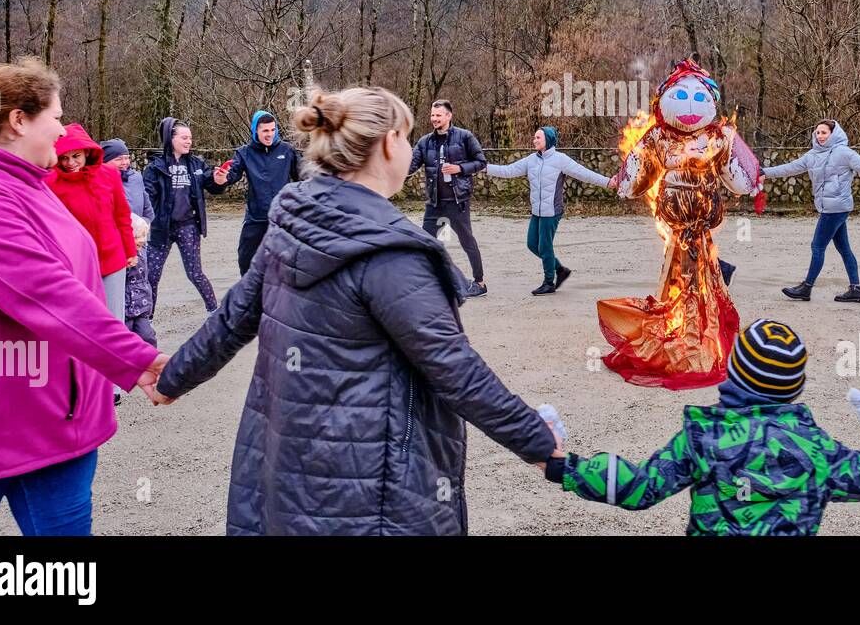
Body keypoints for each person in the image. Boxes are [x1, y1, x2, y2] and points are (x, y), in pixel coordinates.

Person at [151, 86, 559, 535]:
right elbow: (455, 368)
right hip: (371, 497)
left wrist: (172, 379)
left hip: (289, 482)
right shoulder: (394, 254)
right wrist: (541, 445)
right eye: (405, 137)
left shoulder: (291, 225)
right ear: (388, 144)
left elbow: (230, 320)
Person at [0, 59, 164, 535]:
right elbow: (49, 296)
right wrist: (134, 359)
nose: (63, 129)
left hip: (55, 424)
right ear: (19, 120)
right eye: (56, 116)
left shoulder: (31, 185)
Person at [542, 319, 860, 534]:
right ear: (795, 388)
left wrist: (562, 464)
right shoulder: (815, 450)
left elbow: (640, 487)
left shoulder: (703, 438)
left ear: (733, 374)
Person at [761, 119, 860, 303]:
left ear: (833, 134)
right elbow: (789, 168)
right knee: (844, 248)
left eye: (824, 132)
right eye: (818, 133)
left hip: (836, 208)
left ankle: (806, 288)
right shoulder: (812, 155)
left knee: (817, 246)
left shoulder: (843, 153)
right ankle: (856, 289)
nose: (820, 136)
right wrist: (764, 172)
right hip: (829, 207)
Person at [46, 124, 138, 403]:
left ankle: (113, 385)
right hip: (73, 263)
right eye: (64, 158)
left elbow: (122, 215)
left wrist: (129, 249)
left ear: (87, 152)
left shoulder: (109, 175)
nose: (71, 163)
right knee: (79, 322)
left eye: (76, 156)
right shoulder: (51, 182)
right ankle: (81, 380)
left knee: (113, 321)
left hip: (112, 258)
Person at [485, 125, 615, 295]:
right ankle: (560, 269)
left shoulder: (560, 160)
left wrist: (607, 182)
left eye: (538, 137)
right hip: (537, 211)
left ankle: (548, 283)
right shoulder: (531, 160)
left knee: (545, 246)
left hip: (552, 211)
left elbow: (584, 173)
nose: (535, 140)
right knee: (532, 244)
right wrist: (484, 167)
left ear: (548, 139)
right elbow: (508, 170)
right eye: (534, 137)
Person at [143, 117, 226, 314]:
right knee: (151, 276)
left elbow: (212, 186)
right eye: (184, 137)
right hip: (161, 228)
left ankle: (214, 311)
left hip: (188, 226)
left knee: (195, 273)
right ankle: (147, 318)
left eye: (190, 138)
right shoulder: (155, 168)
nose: (189, 141)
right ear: (170, 139)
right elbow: (147, 197)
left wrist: (220, 181)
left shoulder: (197, 164)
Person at [408, 99, 488, 297]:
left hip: (457, 201)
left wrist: (459, 168)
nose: (434, 119)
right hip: (434, 203)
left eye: (438, 115)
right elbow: (410, 166)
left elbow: (480, 162)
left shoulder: (464, 137)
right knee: (425, 242)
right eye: (432, 115)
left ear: (448, 116)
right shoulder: (425, 141)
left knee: (467, 241)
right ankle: (428, 281)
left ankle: (480, 282)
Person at [213, 110, 300, 275]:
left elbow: (302, 177)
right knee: (245, 259)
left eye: (273, 130)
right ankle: (250, 295)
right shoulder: (244, 153)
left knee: (287, 263)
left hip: (282, 217)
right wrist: (221, 179)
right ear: (255, 131)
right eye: (265, 131)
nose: (270, 134)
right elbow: (231, 176)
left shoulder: (287, 150)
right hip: (256, 218)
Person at [101, 139, 157, 348]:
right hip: (116, 246)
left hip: (138, 242)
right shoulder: (100, 182)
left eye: (126, 157)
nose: (125, 162)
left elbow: (147, 209)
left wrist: (142, 232)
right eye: (119, 159)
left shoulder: (136, 179)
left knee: (142, 280)